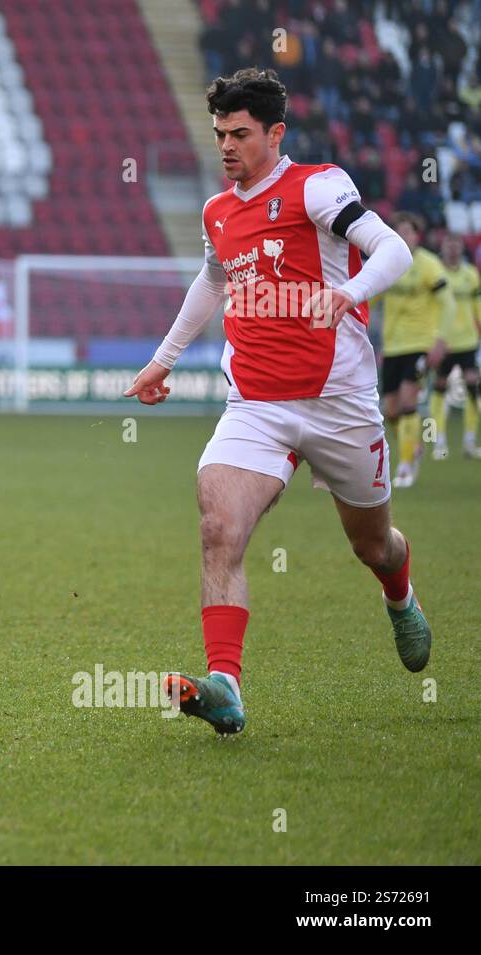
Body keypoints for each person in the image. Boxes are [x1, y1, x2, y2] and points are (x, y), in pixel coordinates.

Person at [124, 68, 428, 737]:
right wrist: (162, 359)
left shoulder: (318, 186)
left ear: (275, 132)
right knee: (218, 527)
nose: (226, 146)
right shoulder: (217, 211)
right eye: (219, 134)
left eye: (240, 134)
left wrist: (349, 292)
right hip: (257, 404)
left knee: (372, 544)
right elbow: (212, 278)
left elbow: (393, 248)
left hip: (339, 402)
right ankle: (225, 684)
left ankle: (399, 591)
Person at [377, 211, 452, 486]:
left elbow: (448, 303)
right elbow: (370, 299)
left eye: (408, 232)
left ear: (416, 235)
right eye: (398, 231)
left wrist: (440, 339)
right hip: (393, 347)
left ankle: (406, 465)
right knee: (392, 410)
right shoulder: (387, 264)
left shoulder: (429, 265)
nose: (403, 236)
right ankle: (415, 446)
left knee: (409, 401)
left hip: (419, 344)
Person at [429, 232, 481, 458]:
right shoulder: (435, 272)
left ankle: (469, 440)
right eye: (449, 244)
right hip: (443, 341)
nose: (452, 249)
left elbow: (477, 304)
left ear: (461, 248)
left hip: (467, 340)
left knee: (472, 387)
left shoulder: (470, 274)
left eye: (456, 245)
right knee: (439, 388)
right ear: (443, 247)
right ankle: (438, 441)